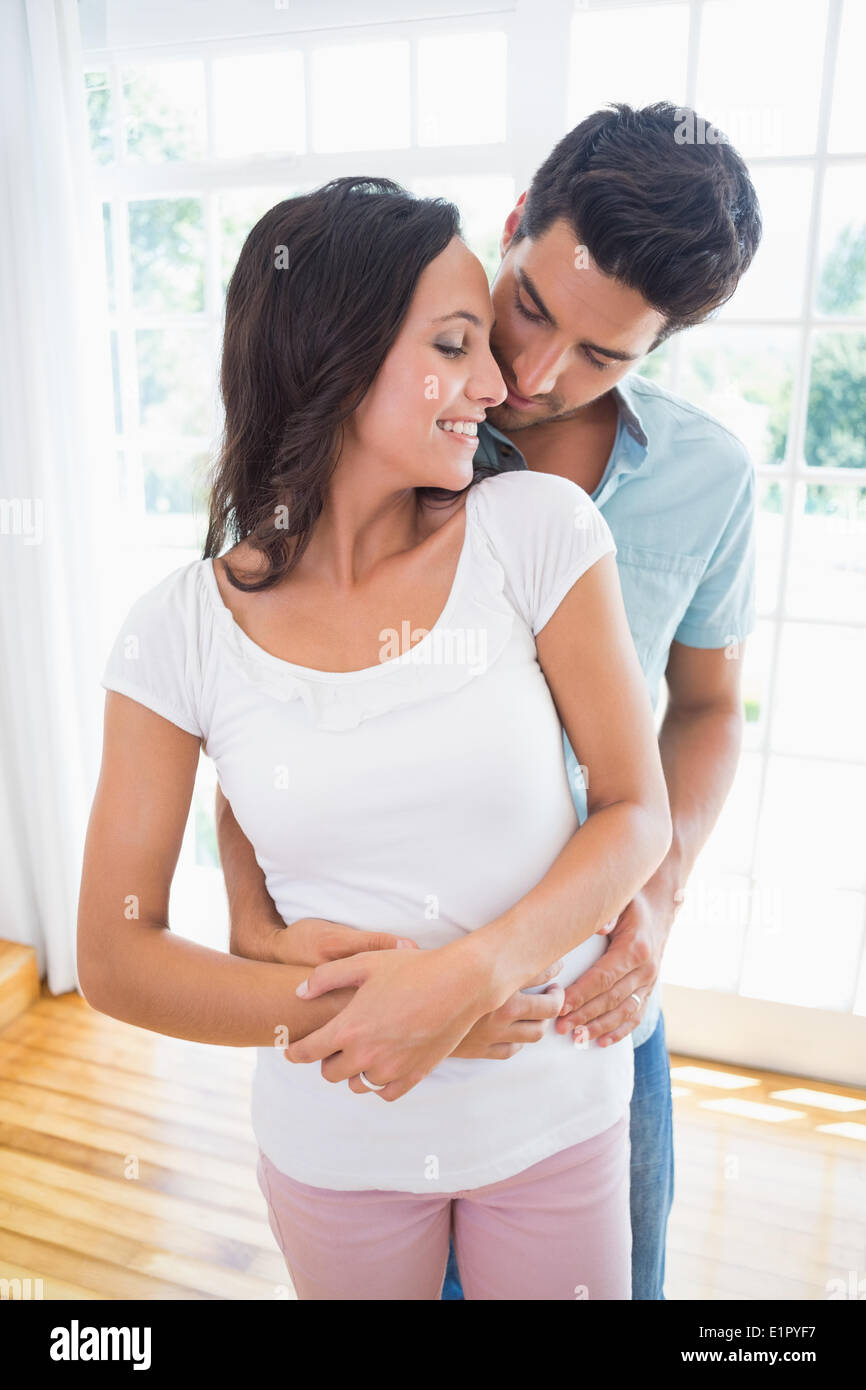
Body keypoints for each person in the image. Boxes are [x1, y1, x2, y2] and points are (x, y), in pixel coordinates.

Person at [78, 175, 673, 1300]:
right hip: (336, 1146)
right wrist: (374, 1019)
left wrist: (464, 978)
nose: (498, 386)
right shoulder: (177, 633)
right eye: (457, 346)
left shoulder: (535, 535)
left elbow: (634, 809)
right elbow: (117, 955)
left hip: (554, 1112)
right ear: (335, 357)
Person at [218, 103, 762, 1301]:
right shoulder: (369, 439)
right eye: (528, 307)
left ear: (662, 346)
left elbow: (710, 705)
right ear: (512, 225)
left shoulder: (708, 479)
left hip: (586, 980)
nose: (532, 375)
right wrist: (252, 926)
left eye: (603, 355)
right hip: (385, 975)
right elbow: (252, 695)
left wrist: (655, 902)